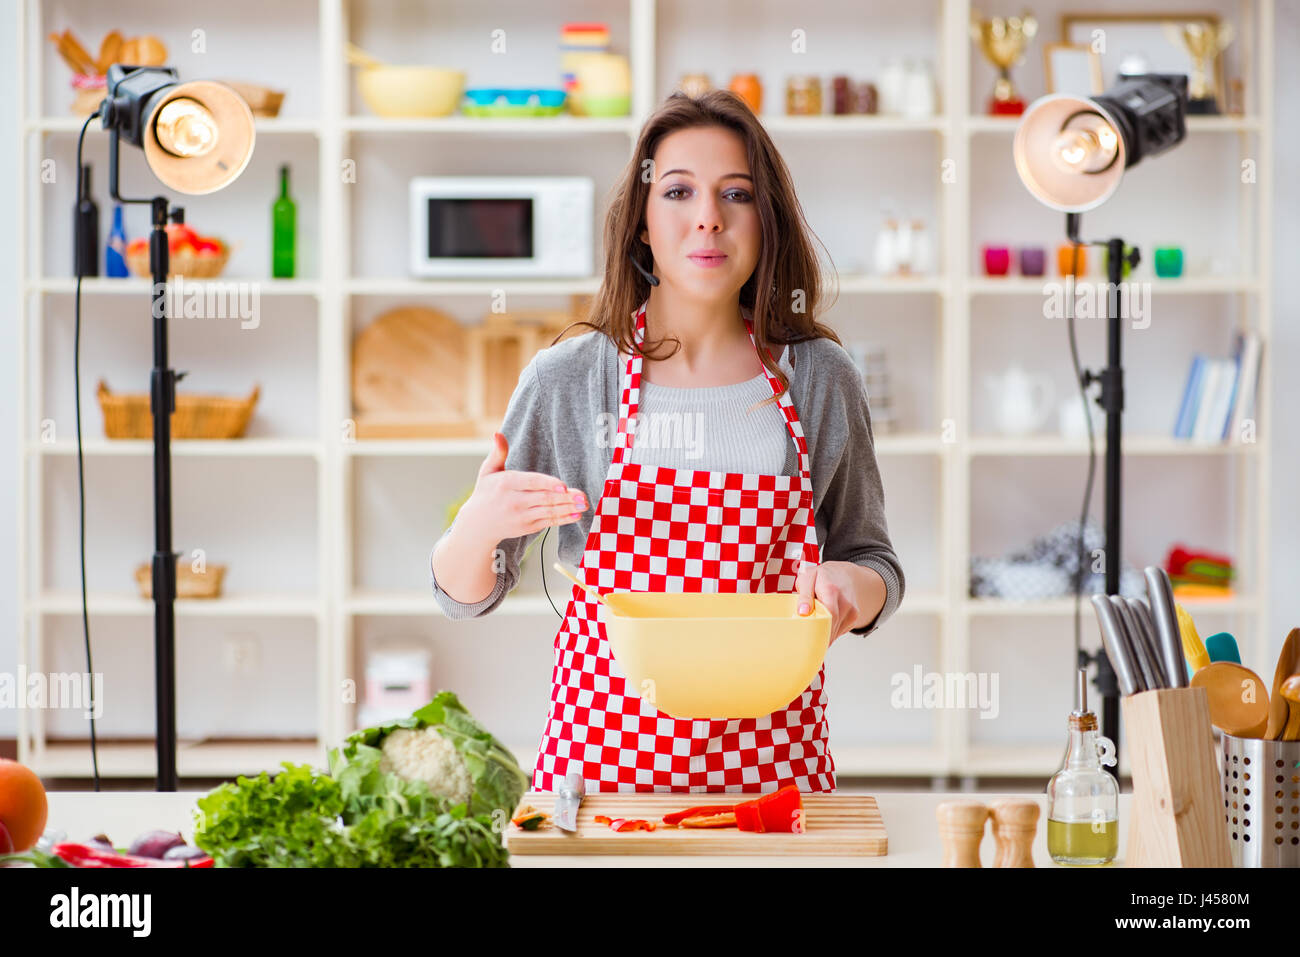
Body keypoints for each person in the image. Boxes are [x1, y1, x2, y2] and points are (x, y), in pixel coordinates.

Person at [431, 90, 904, 793]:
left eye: (736, 194)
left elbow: (875, 561)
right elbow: (463, 594)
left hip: (772, 779)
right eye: (678, 190)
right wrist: (476, 525)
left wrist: (849, 591)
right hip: (601, 777)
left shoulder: (820, 379)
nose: (708, 216)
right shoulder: (572, 378)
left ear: (766, 222)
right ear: (643, 226)